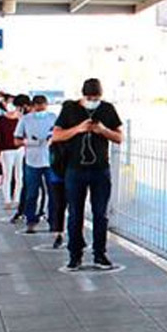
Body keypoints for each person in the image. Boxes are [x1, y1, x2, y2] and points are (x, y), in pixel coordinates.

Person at [53, 79, 123, 271]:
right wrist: (79, 128)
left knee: (100, 214)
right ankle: (75, 255)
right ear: (83, 95)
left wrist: (103, 130)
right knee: (75, 213)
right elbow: (56, 135)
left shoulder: (107, 109)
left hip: (100, 169)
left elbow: (119, 137)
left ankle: (100, 254)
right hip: (75, 169)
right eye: (89, 98)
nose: (93, 101)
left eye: (96, 98)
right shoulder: (70, 109)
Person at [15, 95, 57, 234]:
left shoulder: (53, 118)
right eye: (38, 107)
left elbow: (60, 134)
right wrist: (29, 142)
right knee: (31, 193)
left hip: (50, 161)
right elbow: (16, 140)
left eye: (42, 107)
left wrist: (52, 139)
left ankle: (53, 221)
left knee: (53, 193)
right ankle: (30, 220)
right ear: (33, 107)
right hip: (32, 161)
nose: (40, 110)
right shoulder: (26, 119)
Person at [0, 93, 28, 212]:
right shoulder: (2, 119)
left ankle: (17, 198)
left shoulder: (22, 118)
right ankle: (7, 200)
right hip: (6, 150)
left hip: (20, 149)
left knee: (19, 175)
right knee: (7, 175)